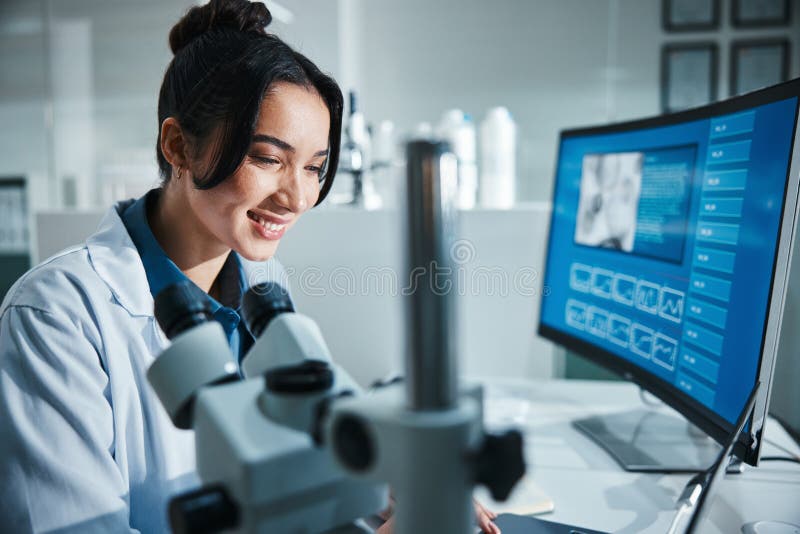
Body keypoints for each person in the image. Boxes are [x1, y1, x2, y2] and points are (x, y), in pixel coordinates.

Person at [0, 1, 499, 532]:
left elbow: (304, 446)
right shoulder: (55, 317)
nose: (297, 197)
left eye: (314, 168)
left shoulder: (262, 283)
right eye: (268, 159)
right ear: (178, 146)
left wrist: (394, 475)